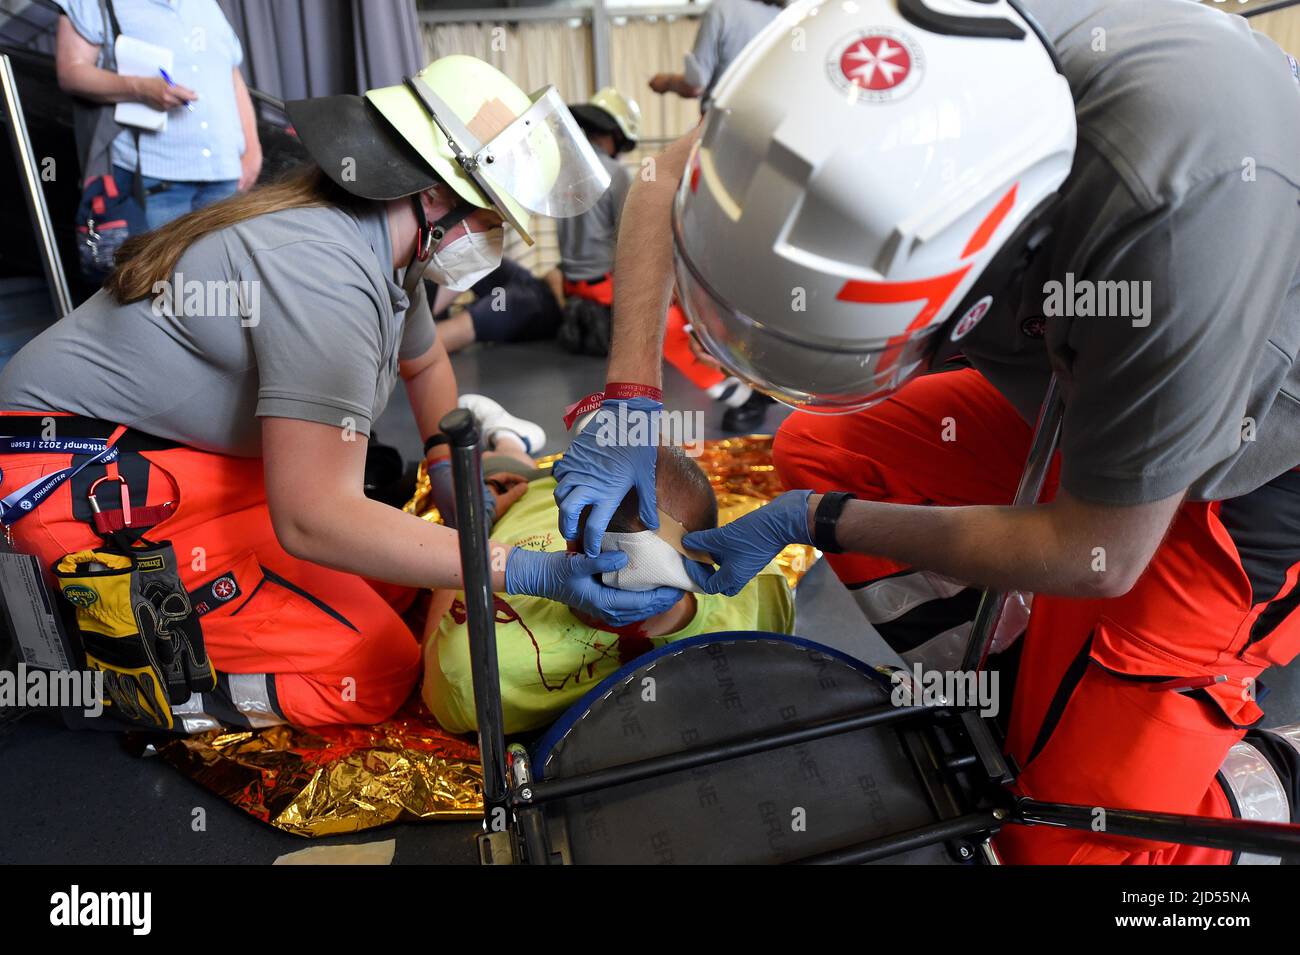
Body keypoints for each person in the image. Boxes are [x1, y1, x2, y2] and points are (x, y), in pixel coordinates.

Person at [554, 0, 1300, 865]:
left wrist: (813, 521)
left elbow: (1099, 552)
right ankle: (1039, 711)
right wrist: (629, 402)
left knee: (1067, 850)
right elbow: (662, 178)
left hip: (1241, 475)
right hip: (1101, 393)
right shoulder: (885, 65)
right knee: (827, 448)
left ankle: (1254, 786)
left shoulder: (1179, 216)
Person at [0, 55, 679, 732]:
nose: (496, 239)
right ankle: (109, 672)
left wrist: (445, 461)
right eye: (494, 214)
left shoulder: (385, 248)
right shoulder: (325, 272)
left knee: (406, 580)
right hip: (67, 478)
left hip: (164, 453)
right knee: (371, 668)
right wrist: (536, 572)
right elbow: (314, 518)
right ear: (436, 195)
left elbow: (424, 362)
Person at [424, 445, 794, 735]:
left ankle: (506, 440)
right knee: (507, 459)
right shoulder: (761, 584)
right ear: (706, 542)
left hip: (518, 498)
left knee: (497, 463)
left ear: (569, 549)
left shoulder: (476, 669)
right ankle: (508, 439)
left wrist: (469, 531)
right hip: (529, 489)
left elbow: (433, 666)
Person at [54, 0, 262, 229]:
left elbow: (230, 75)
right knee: (162, 265)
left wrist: (252, 149)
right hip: (154, 179)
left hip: (224, 174)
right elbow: (71, 73)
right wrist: (141, 88)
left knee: (222, 264)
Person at [649, 0, 784, 109]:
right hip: (766, 130)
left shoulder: (722, 9)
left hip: (723, 129)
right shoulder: (785, 15)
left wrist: (666, 82)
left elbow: (695, 86)